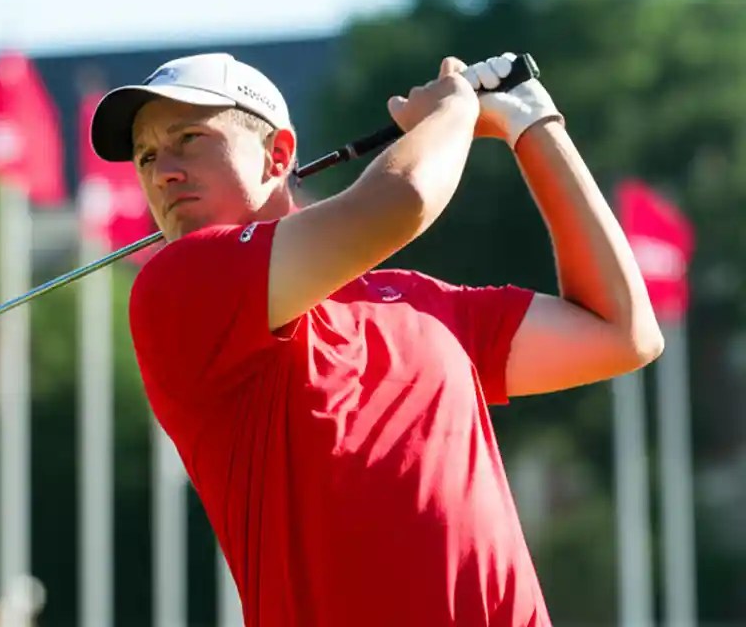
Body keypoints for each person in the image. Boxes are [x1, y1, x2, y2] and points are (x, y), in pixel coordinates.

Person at [89, 52, 663, 626]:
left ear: (279, 156)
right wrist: (454, 109)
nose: (162, 171)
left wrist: (533, 123)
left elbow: (621, 332)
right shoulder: (179, 285)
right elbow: (405, 199)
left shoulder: (418, 300)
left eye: (188, 138)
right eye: (146, 156)